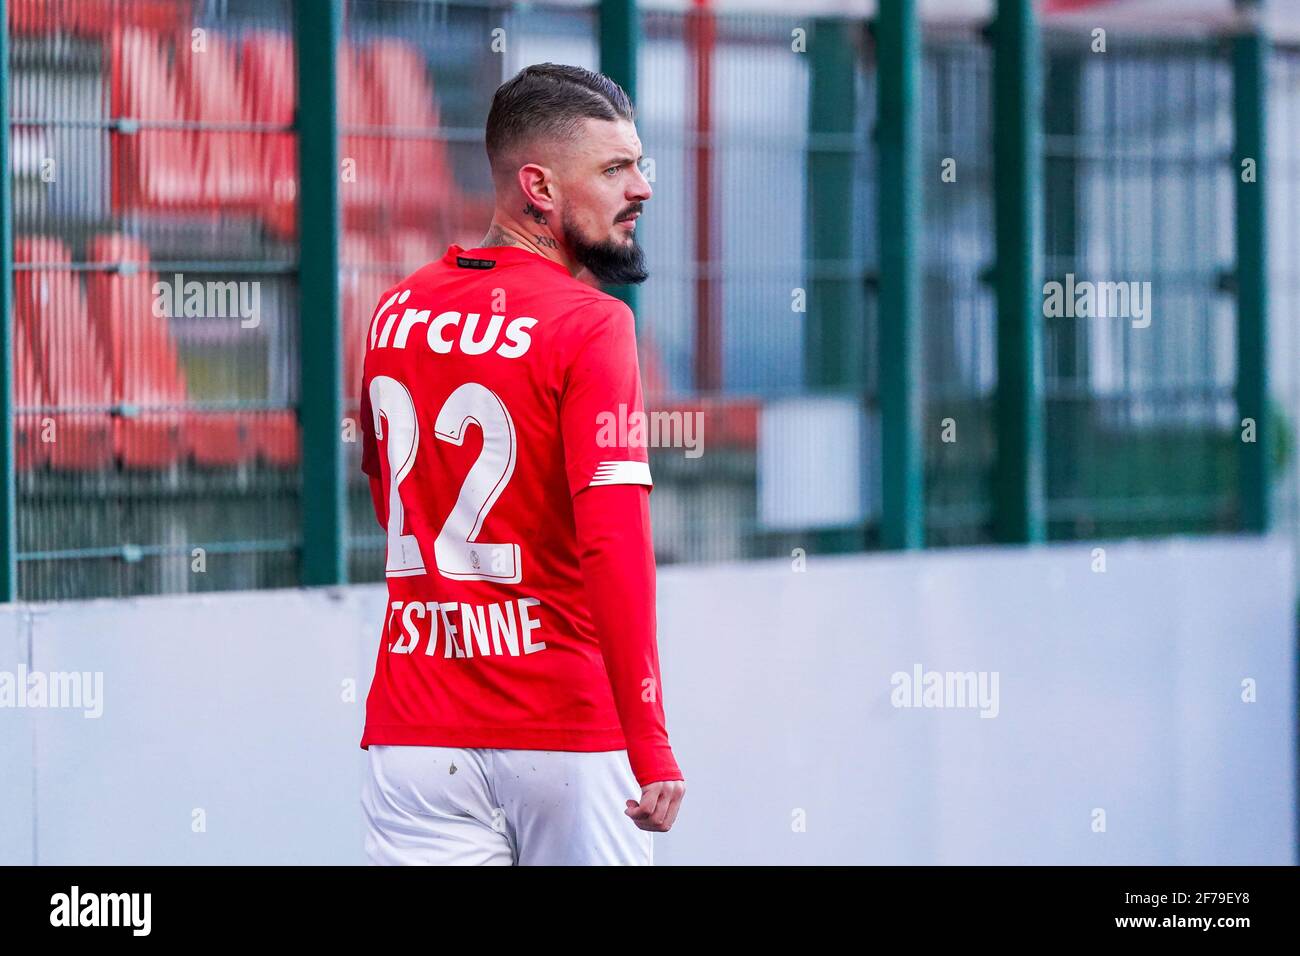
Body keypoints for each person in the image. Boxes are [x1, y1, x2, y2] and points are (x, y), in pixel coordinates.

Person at [357, 63, 685, 865]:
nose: (641, 188)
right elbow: (614, 546)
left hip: (414, 734)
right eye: (615, 169)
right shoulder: (592, 326)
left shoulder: (394, 310)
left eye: (638, 163)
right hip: (565, 731)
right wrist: (651, 745)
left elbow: (390, 499)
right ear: (538, 186)